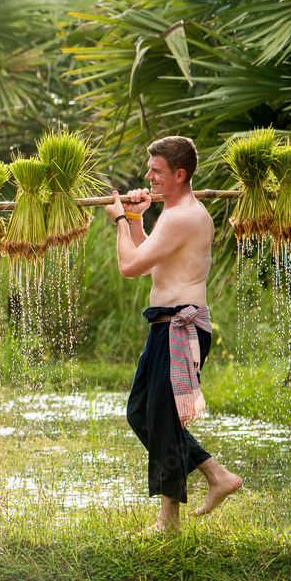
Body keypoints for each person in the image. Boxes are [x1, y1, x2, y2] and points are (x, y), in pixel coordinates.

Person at [104, 136, 242, 533]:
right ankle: (217, 475)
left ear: (179, 175)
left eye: (156, 171)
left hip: (180, 328)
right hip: (166, 325)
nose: (148, 177)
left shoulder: (183, 216)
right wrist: (135, 220)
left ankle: (169, 521)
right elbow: (152, 262)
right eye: (149, 169)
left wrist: (117, 220)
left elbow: (129, 267)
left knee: (163, 418)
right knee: (140, 412)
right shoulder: (176, 213)